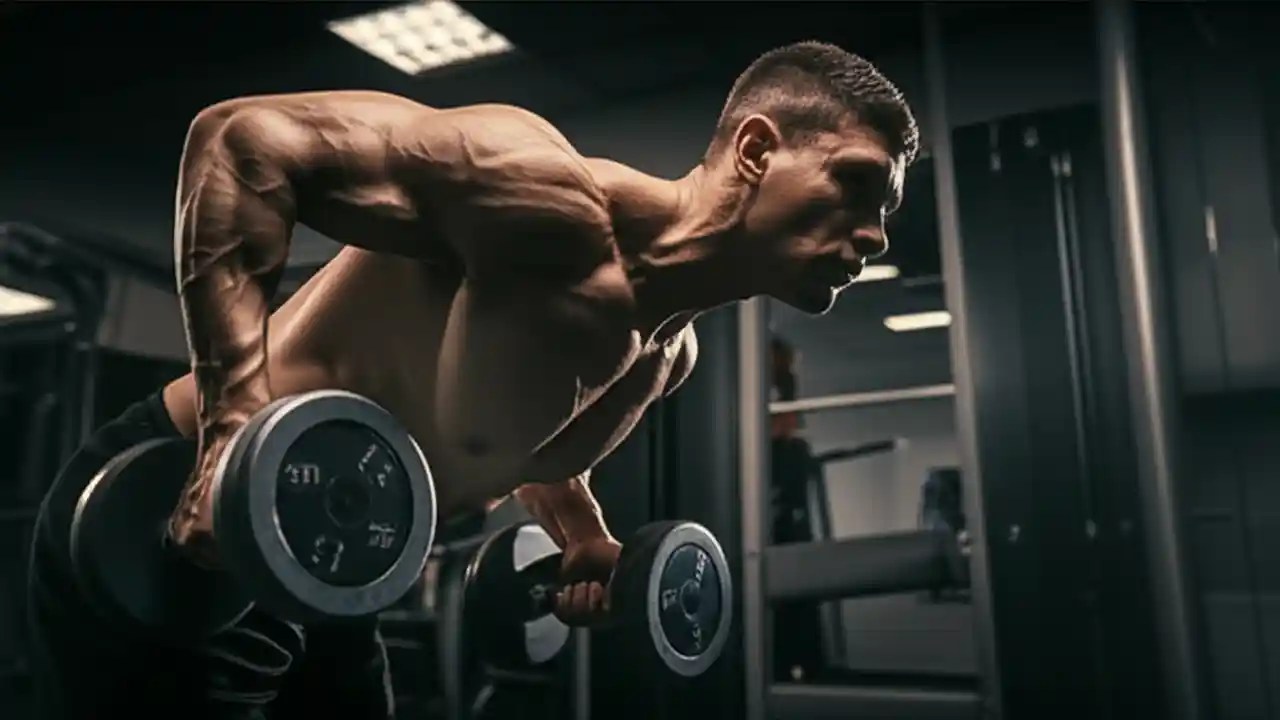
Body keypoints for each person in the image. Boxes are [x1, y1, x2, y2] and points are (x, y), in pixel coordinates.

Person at [27, 40, 917, 719]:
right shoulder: (538, 194)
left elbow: (514, 423)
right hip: (175, 521)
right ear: (757, 149)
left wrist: (580, 530)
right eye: (857, 185)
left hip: (336, 569)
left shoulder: (667, 354)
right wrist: (230, 439)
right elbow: (242, 145)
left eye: (887, 214)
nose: (874, 234)